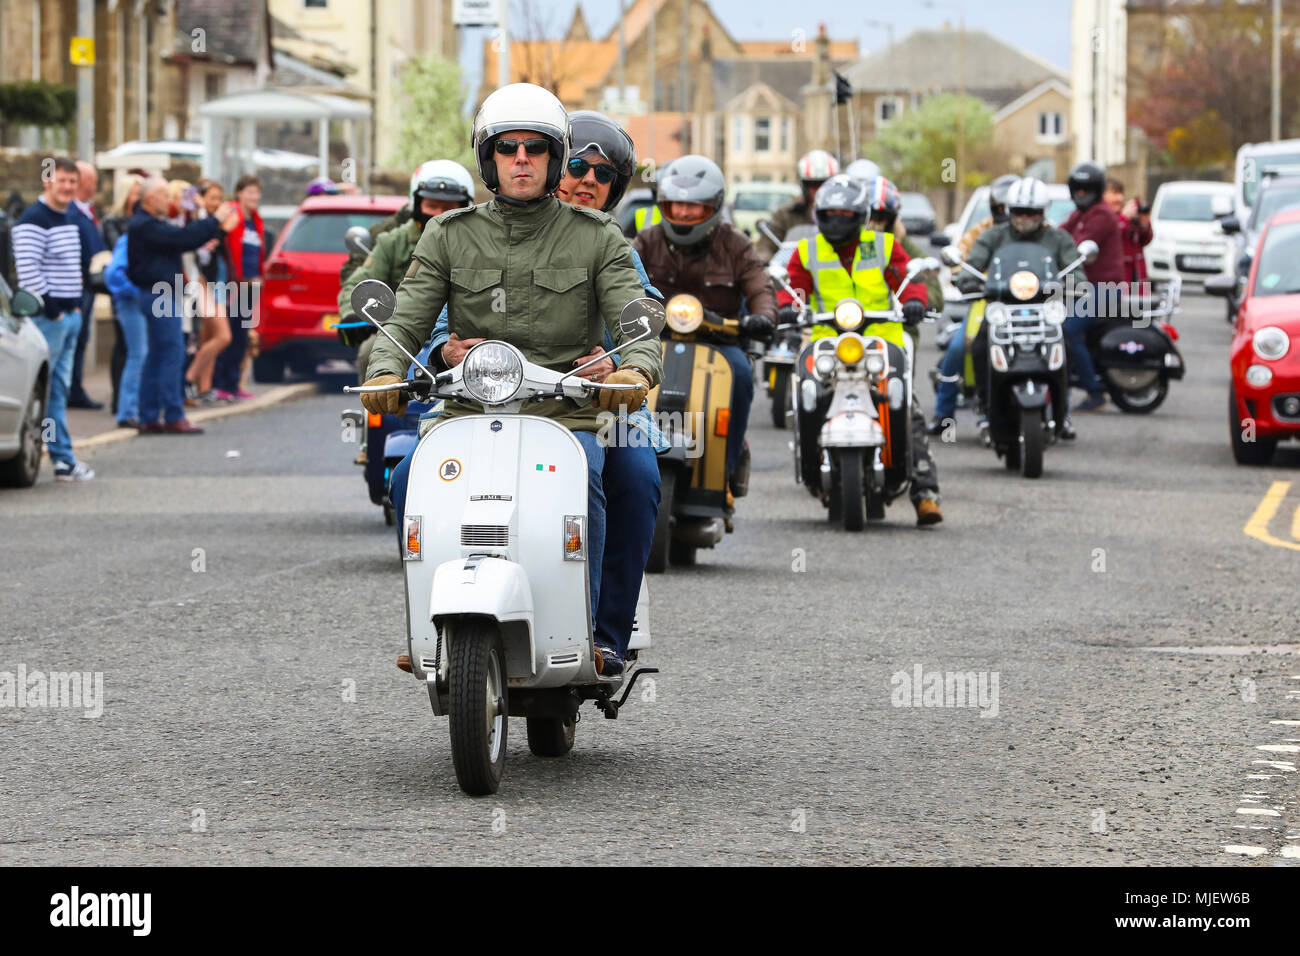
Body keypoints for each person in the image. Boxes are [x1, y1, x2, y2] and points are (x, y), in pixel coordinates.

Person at [359, 83, 661, 678]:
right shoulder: (448, 234)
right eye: (507, 147)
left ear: (552, 157)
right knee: (407, 478)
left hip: (571, 411)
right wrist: (387, 370)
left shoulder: (599, 237)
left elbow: (635, 316)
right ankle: (426, 626)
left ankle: (596, 633)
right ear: (488, 157)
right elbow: (408, 318)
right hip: (469, 408)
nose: (521, 159)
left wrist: (632, 367)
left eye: (535, 148)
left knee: (600, 477)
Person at [775, 174, 942, 526]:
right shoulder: (807, 250)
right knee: (807, 392)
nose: (837, 221)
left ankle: (925, 492)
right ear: (819, 215)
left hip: (881, 337)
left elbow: (906, 279)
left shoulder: (883, 245)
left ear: (860, 216)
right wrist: (788, 305)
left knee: (906, 403)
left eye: (845, 214)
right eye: (830, 214)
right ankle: (813, 467)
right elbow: (795, 289)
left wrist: (915, 300)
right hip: (827, 338)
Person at [632, 154, 776, 507]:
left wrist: (764, 315)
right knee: (622, 380)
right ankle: (623, 465)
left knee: (742, 375)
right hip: (656, 339)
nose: (682, 213)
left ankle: (725, 471)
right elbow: (622, 279)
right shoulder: (647, 240)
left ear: (713, 207)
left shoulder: (737, 245)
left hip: (720, 342)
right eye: (675, 205)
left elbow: (759, 286)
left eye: (692, 207)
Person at [950, 177, 1080, 439]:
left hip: (1044, 310)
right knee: (979, 346)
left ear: (1043, 212)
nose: (1025, 218)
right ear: (1009, 210)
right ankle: (986, 409)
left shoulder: (1058, 238)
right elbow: (972, 264)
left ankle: (1062, 411)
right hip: (1003, 309)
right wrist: (967, 279)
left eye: (1032, 213)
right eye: (1020, 212)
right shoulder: (994, 236)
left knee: (1067, 346)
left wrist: (1074, 283)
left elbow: (1075, 269)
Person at [127, 176, 238, 433]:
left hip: (160, 293)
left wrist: (209, 222)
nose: (168, 201)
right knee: (172, 353)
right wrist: (215, 219)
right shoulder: (145, 225)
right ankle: (173, 414)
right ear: (150, 198)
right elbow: (184, 238)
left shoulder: (151, 224)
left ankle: (149, 416)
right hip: (159, 294)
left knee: (157, 356)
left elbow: (187, 237)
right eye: (164, 196)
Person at [11, 157, 95, 480]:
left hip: (70, 316)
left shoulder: (68, 218)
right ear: (47, 181)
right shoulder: (34, 219)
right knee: (48, 392)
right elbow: (29, 272)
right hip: (51, 320)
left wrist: (74, 308)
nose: (68, 187)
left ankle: (60, 458)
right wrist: (54, 311)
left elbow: (74, 267)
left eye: (73, 181)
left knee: (58, 391)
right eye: (62, 180)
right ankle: (58, 456)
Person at [931, 173, 1020, 428]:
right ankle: (943, 413)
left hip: (1028, 301)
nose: (1006, 213)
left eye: (1011, 208)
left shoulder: (1038, 230)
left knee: (1057, 345)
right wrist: (964, 278)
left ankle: (1061, 415)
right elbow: (960, 258)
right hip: (988, 301)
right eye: (1001, 208)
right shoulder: (980, 231)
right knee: (959, 348)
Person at [1062, 161, 1124, 413]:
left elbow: (1075, 246)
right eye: (1077, 189)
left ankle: (1095, 392)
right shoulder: (1080, 214)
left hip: (1105, 289)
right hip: (1085, 288)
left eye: (1086, 189)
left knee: (1068, 330)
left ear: (1097, 190)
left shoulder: (1101, 215)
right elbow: (1060, 234)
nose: (1081, 194)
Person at [213, 174, 263, 401]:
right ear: (240, 193)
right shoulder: (232, 214)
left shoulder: (256, 219)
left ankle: (233, 384)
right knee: (229, 335)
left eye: (257, 192)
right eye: (250, 192)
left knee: (241, 336)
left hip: (250, 285)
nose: (254, 197)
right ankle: (220, 383)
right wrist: (239, 279)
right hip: (234, 285)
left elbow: (257, 252)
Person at [185, 179, 233, 402]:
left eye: (219, 198)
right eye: (212, 198)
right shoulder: (199, 222)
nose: (217, 202)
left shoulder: (213, 221)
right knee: (223, 336)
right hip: (203, 283)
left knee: (210, 338)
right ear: (200, 199)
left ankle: (204, 388)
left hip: (218, 282)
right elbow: (203, 250)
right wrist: (222, 228)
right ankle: (189, 377)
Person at [101, 175, 144, 422]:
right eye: (136, 192)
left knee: (134, 350)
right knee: (125, 347)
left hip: (132, 292)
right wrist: (133, 291)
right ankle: (121, 401)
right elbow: (117, 261)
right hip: (124, 293)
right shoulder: (114, 222)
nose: (139, 197)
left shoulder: (139, 223)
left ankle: (127, 403)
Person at [66, 160, 107, 410]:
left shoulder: (87, 211)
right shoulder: (71, 212)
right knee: (74, 340)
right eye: (93, 180)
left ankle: (75, 388)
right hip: (78, 285)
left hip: (89, 285)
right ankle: (71, 390)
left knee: (82, 339)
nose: (95, 186)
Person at [754, 149, 839, 260]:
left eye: (824, 184)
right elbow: (766, 245)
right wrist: (766, 262)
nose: (818, 189)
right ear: (803, 185)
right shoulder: (787, 212)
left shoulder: (844, 212)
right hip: (793, 269)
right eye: (811, 184)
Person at [1104, 177, 1153, 285]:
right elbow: (1110, 239)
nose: (1120, 198)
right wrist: (1123, 218)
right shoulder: (1102, 217)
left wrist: (1144, 223)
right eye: (1115, 193)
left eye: (1121, 193)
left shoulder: (1129, 217)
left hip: (1137, 279)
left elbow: (1146, 240)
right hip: (1114, 283)